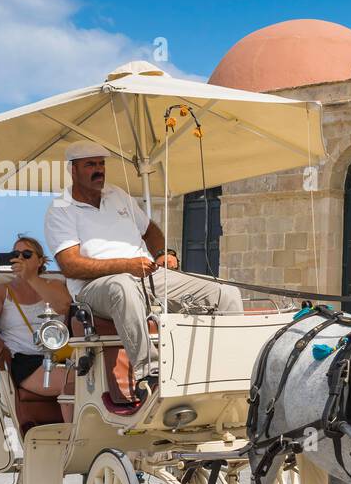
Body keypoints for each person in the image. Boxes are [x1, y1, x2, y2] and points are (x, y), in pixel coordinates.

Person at [44, 141, 241, 401]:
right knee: (122, 286)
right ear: (73, 170)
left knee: (225, 293)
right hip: (95, 288)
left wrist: (163, 253)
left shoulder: (117, 194)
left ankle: (235, 368)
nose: (98, 170)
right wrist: (126, 266)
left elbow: (150, 231)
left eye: (101, 164)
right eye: (90, 164)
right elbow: (70, 265)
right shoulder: (60, 209)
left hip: (147, 276)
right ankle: (150, 372)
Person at [0, 236, 72, 398]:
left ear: (40, 261)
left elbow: (63, 306)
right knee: (72, 382)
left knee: (81, 379)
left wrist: (30, 277)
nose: (20, 258)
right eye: (16, 255)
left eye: (27, 255)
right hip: (24, 361)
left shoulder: (54, 285)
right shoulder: (3, 290)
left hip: (60, 356)